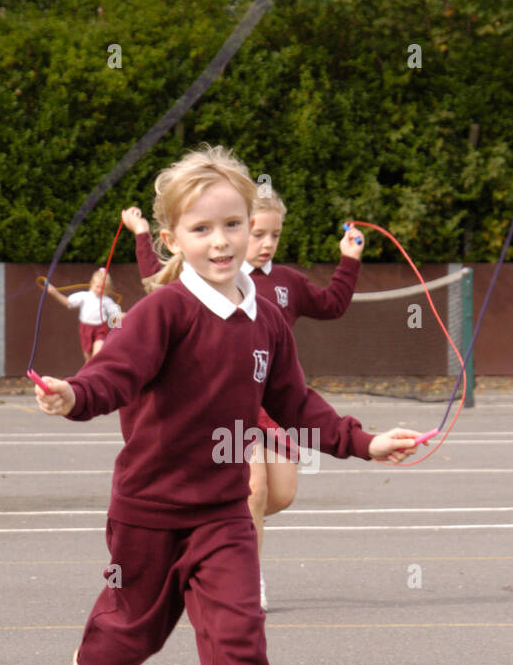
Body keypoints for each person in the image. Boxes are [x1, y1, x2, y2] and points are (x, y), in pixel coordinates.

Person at [34, 145, 425, 665]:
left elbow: (296, 402)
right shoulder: (162, 314)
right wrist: (73, 395)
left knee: (240, 632)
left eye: (233, 226)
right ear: (171, 239)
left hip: (222, 509)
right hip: (149, 510)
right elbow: (114, 377)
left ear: (253, 227)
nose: (220, 242)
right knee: (133, 632)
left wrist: (363, 442)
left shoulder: (268, 320)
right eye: (201, 230)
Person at [120, 190, 364, 609]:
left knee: (280, 493)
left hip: (275, 400)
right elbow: (154, 281)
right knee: (251, 488)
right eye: (257, 232)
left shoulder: (287, 282)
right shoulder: (208, 278)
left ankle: (204, 533)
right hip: (229, 403)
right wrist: (142, 234)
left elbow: (333, 304)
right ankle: (245, 574)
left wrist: (350, 259)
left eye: (274, 234)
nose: (266, 242)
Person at [43, 269, 124, 362]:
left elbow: (115, 317)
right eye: (97, 286)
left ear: (107, 289)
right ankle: (88, 372)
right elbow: (67, 302)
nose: (99, 290)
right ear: (91, 283)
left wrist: (123, 316)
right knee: (88, 359)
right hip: (85, 329)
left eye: (102, 288)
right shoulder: (84, 296)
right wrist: (54, 293)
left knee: (97, 355)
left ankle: (95, 368)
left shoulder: (107, 300)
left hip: (100, 329)